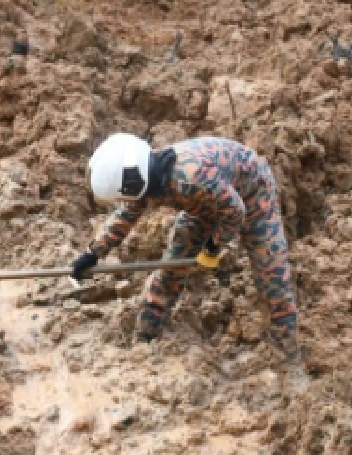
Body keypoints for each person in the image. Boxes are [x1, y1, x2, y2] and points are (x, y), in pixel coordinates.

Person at [71, 133, 299, 357]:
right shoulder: (144, 174)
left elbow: (236, 212)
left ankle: (286, 350)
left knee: (271, 272)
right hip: (204, 204)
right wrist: (93, 253)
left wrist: (213, 246)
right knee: (171, 268)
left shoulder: (189, 176)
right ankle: (144, 339)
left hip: (251, 190)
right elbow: (124, 217)